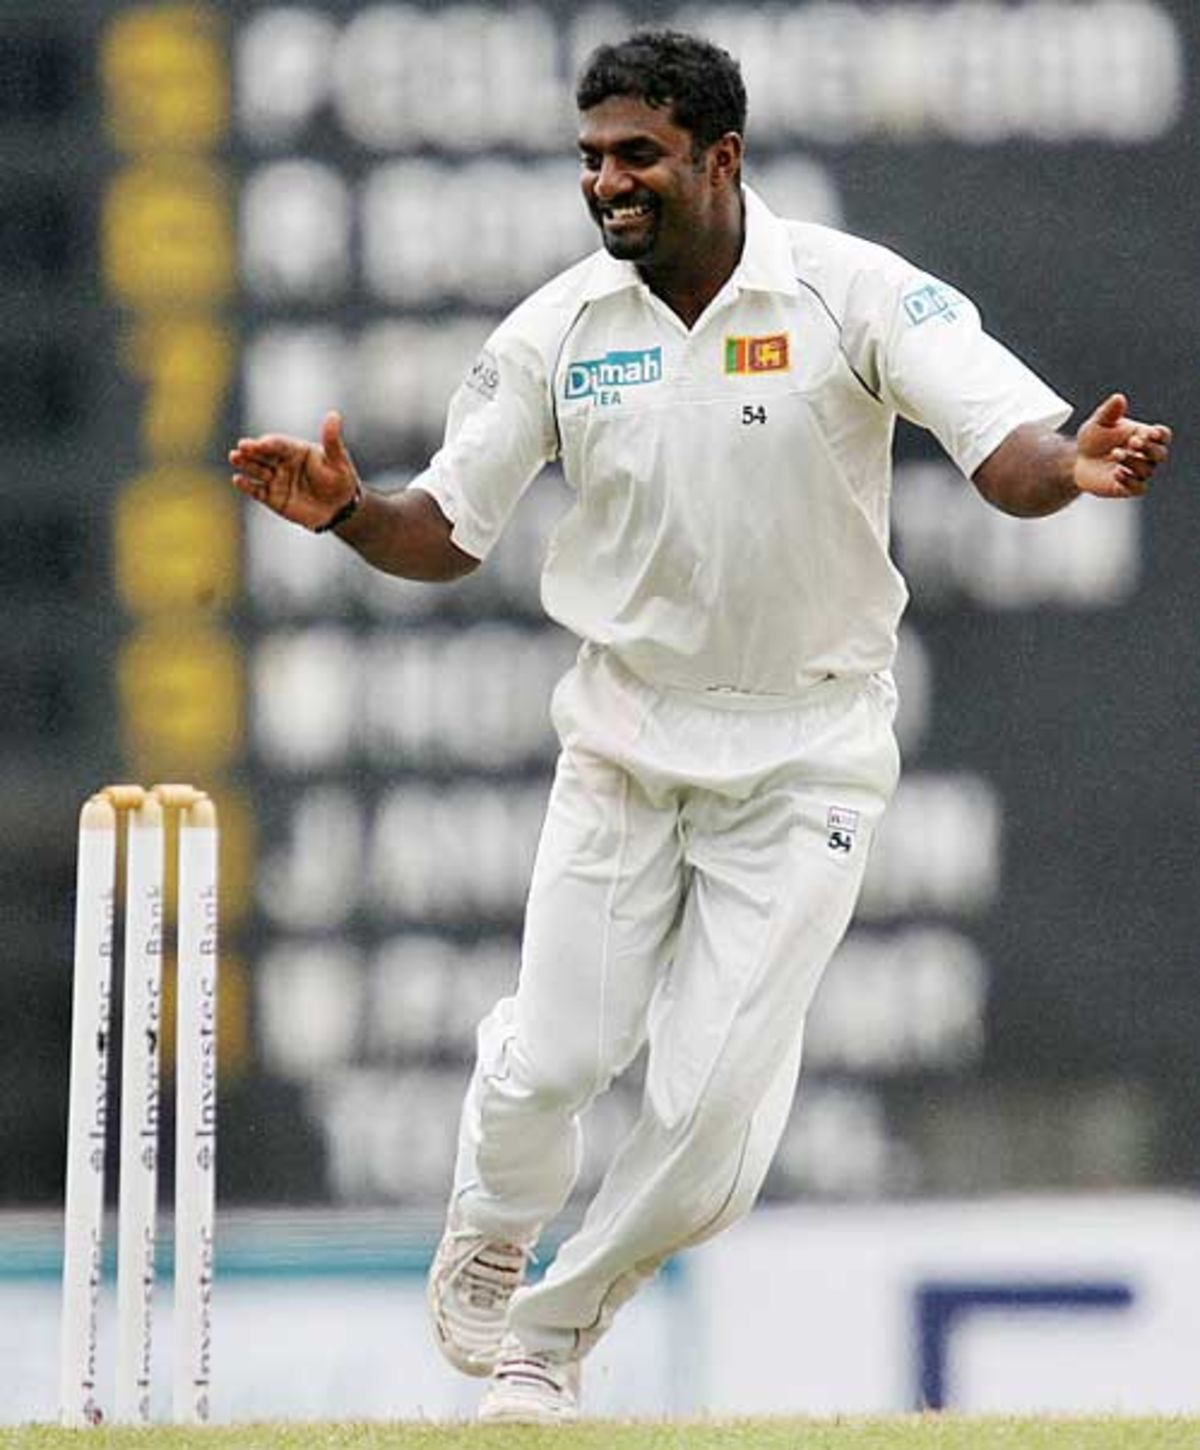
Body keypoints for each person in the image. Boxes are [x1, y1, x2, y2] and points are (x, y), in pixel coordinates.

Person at [229, 30, 1172, 1424]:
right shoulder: (557, 331)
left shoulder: (851, 291)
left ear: (721, 157)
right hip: (624, 740)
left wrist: (1073, 465)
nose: (608, 182)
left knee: (712, 1112)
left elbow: (1009, 450)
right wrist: (350, 513)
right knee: (556, 1059)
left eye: (640, 156)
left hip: (808, 755)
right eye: (592, 157)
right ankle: (494, 1218)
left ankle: (548, 1336)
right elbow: (446, 530)